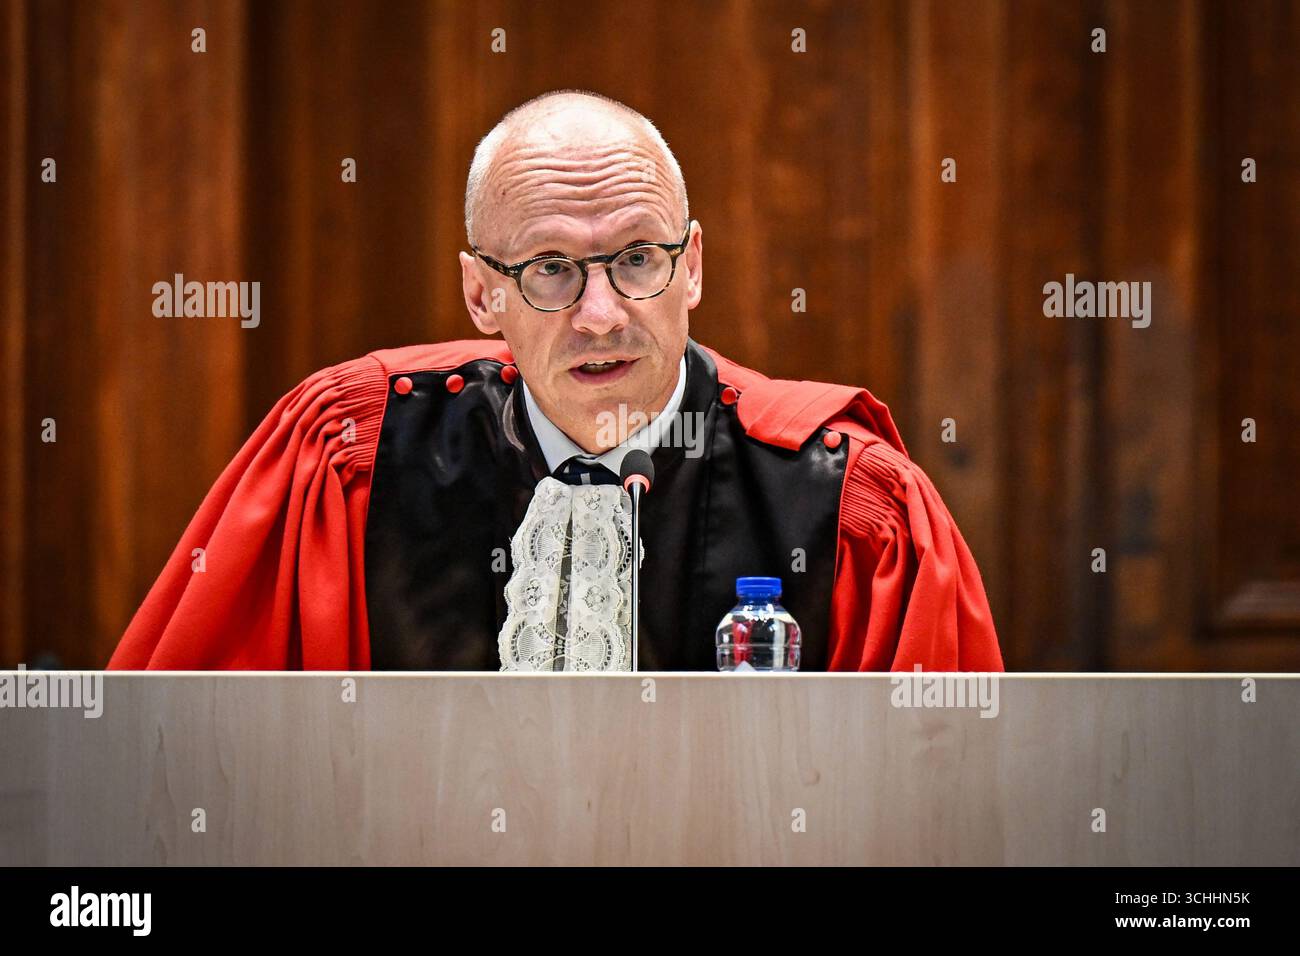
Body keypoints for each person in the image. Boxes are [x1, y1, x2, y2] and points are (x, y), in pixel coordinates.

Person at [109, 89, 1003, 673]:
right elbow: (187, 763)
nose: (603, 314)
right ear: (480, 292)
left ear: (692, 268)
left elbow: (936, 807)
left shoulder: (850, 503)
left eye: (639, 258)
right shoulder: (349, 456)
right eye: (549, 268)